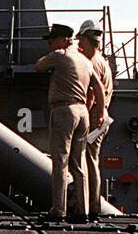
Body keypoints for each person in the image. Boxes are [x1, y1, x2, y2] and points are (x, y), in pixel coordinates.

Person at [34, 24, 105, 220]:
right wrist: (100, 112)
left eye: (52, 40)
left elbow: (38, 66)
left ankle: (59, 210)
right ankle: (83, 211)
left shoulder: (61, 55)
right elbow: (98, 87)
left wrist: (53, 56)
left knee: (60, 161)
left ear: (64, 40)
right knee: (79, 164)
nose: (50, 43)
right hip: (83, 113)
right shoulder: (86, 61)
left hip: (64, 111)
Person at [76, 20, 114, 219]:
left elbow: (91, 94)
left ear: (86, 39)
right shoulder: (103, 61)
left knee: (86, 161)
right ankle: (92, 205)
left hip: (93, 116)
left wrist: (83, 114)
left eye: (80, 39)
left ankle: (90, 206)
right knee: (92, 160)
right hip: (102, 114)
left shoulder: (91, 62)